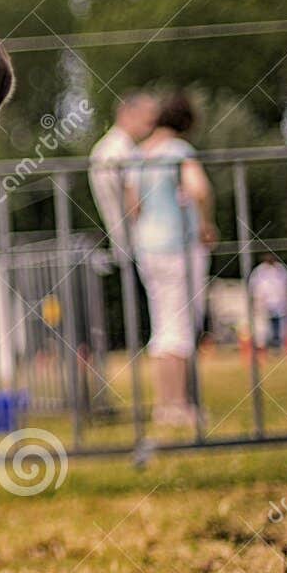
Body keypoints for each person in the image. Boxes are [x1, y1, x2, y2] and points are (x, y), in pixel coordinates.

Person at [128, 93, 217, 429]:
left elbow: (132, 206)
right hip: (179, 246)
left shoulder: (138, 155)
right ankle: (178, 407)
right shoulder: (179, 152)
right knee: (179, 327)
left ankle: (165, 406)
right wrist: (206, 223)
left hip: (148, 248)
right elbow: (200, 189)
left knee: (162, 326)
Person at [89, 92, 159, 255]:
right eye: (148, 118)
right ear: (129, 113)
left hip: (123, 242)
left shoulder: (105, 148)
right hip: (138, 244)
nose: (152, 126)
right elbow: (133, 204)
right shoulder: (123, 152)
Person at [249, 253, 287, 350]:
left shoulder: (281, 269)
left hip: (280, 303)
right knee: (264, 327)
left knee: (281, 326)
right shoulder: (258, 271)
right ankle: (264, 346)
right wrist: (256, 302)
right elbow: (254, 288)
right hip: (264, 304)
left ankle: (279, 346)